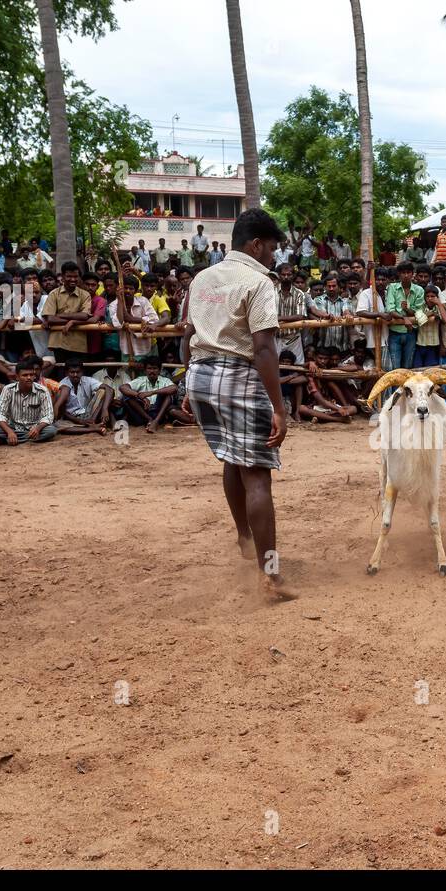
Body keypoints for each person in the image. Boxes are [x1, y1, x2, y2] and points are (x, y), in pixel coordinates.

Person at [184, 207, 295, 602]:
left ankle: (245, 538)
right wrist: (279, 408)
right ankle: (270, 575)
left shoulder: (201, 278)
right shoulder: (259, 282)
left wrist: (187, 382)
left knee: (232, 458)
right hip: (238, 376)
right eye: (272, 249)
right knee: (258, 475)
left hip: (200, 375)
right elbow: (264, 348)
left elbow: (188, 331)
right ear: (256, 245)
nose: (274, 257)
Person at [0, 355, 57, 444]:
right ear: (17, 377)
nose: (29, 377)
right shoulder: (8, 389)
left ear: (34, 376)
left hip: (35, 427)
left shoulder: (42, 390)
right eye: (25, 375)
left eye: (31, 375)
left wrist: (38, 428)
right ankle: (25, 438)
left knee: (51, 430)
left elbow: (48, 416)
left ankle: (6, 440)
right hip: (13, 426)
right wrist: (9, 431)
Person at [54, 357, 112, 434]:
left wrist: (105, 409)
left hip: (90, 414)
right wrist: (80, 421)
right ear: (66, 373)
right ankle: (94, 428)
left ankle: (92, 424)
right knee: (59, 426)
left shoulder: (87, 380)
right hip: (71, 418)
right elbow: (62, 411)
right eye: (72, 372)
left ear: (82, 372)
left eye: (78, 372)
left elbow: (109, 389)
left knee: (103, 391)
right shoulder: (62, 385)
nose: (75, 375)